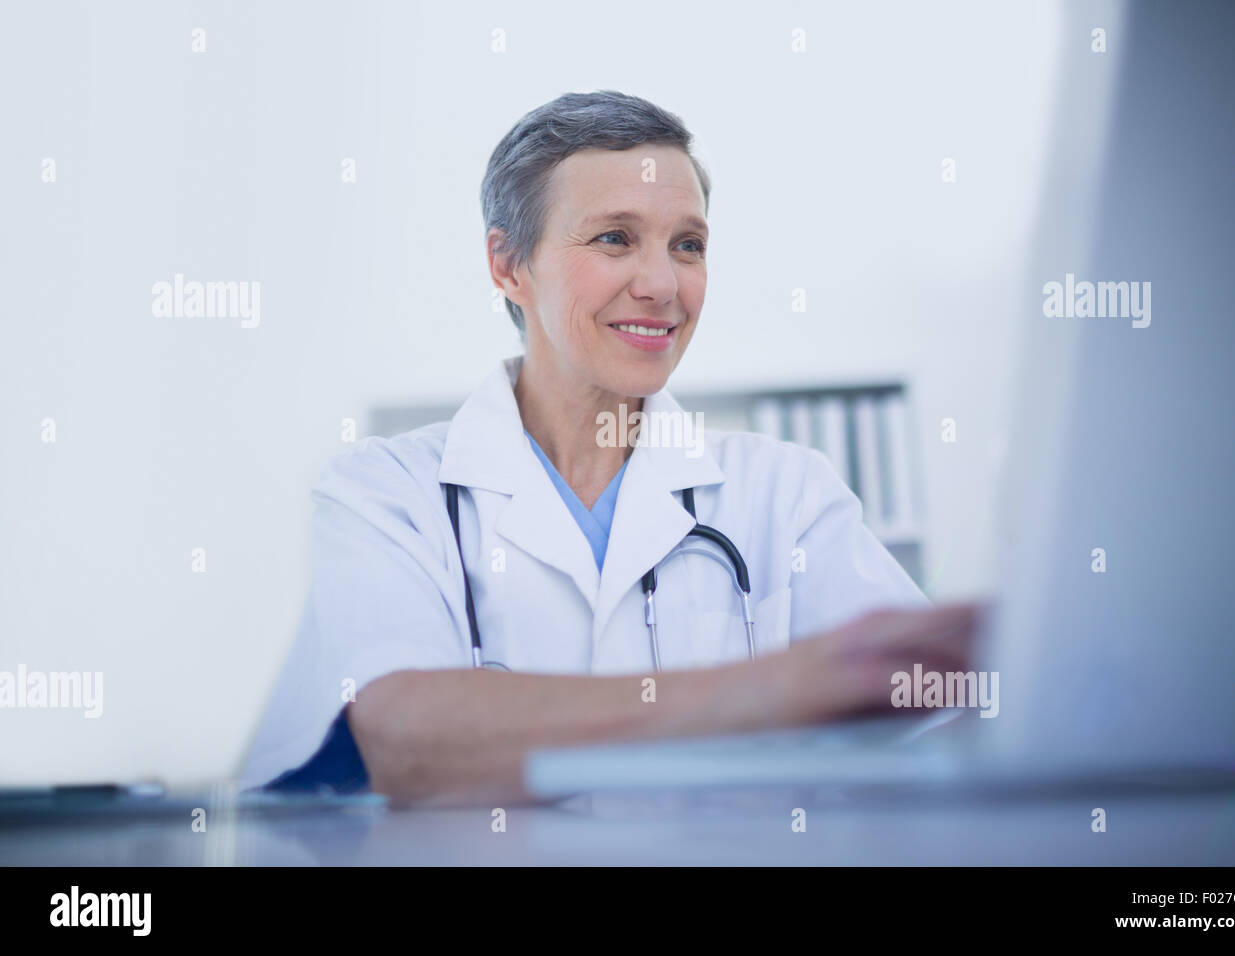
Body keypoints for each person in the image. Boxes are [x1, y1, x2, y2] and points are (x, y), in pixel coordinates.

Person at [241, 90, 980, 806]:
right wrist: (783, 686)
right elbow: (405, 737)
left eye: (687, 245)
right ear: (508, 265)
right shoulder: (385, 495)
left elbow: (942, 711)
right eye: (614, 238)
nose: (662, 284)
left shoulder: (786, 494)